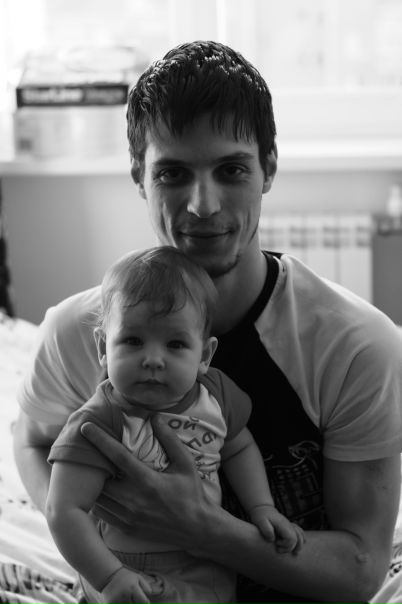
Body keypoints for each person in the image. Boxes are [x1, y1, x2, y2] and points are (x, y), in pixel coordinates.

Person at [13, 40, 402, 603]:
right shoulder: (78, 332)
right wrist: (96, 556)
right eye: (172, 173)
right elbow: (31, 439)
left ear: (268, 168)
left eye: (231, 169)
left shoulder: (357, 347)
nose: (203, 205)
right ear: (138, 175)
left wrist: (199, 526)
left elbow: (360, 571)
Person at [45, 245, 304, 604]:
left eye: (176, 344)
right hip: (127, 566)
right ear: (103, 347)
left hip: (209, 563)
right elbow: (63, 510)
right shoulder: (98, 423)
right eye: (133, 341)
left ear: (205, 355)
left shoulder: (216, 396)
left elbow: (239, 447)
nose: (153, 359)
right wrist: (109, 577)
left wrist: (262, 508)